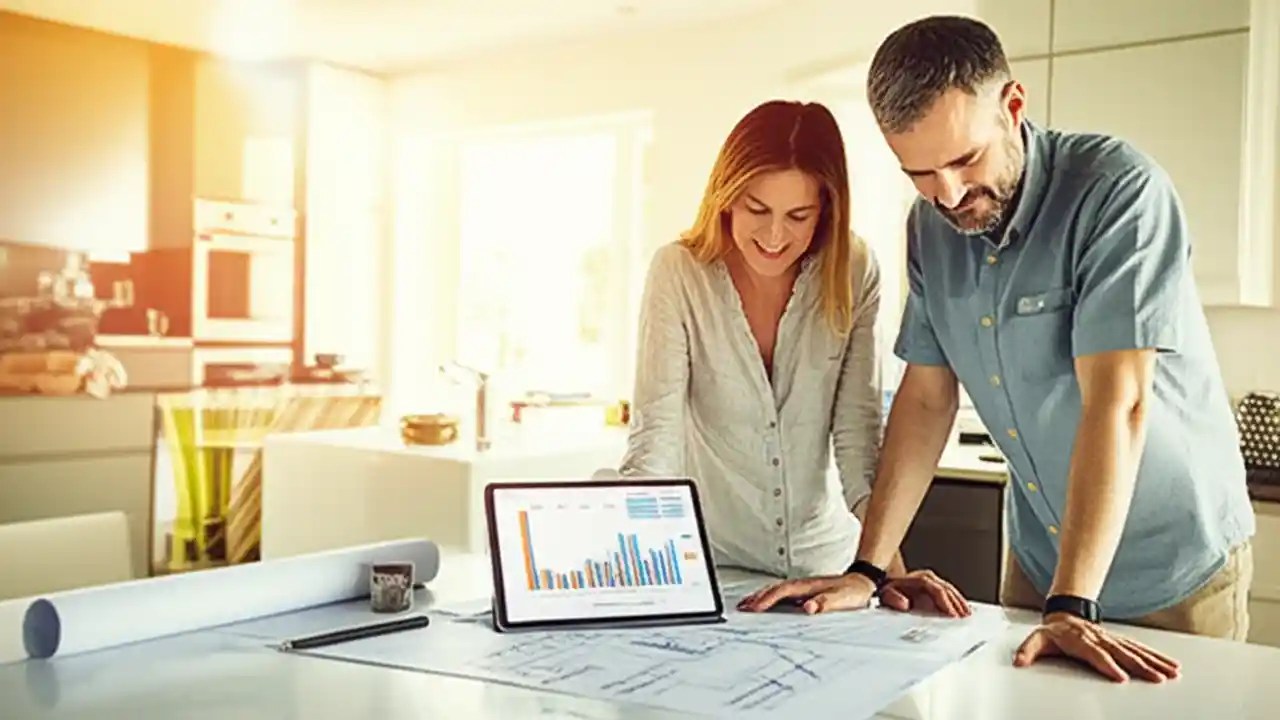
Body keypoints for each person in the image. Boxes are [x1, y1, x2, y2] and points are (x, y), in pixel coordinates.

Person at [739, 15, 1256, 684]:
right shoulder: (930, 227)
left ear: (1013, 106)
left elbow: (1119, 404)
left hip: (1173, 569)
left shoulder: (1117, 192)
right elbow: (926, 399)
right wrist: (868, 568)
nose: (947, 194)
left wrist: (1072, 603)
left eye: (964, 160)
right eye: (920, 172)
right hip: (1039, 563)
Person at [617, 99, 966, 613]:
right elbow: (656, 437)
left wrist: (885, 572)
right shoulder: (679, 272)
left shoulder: (853, 268)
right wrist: (619, 572)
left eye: (798, 215)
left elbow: (857, 436)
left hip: (827, 571)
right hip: (715, 566)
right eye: (757, 210)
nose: (775, 236)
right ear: (726, 198)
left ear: (826, 209)